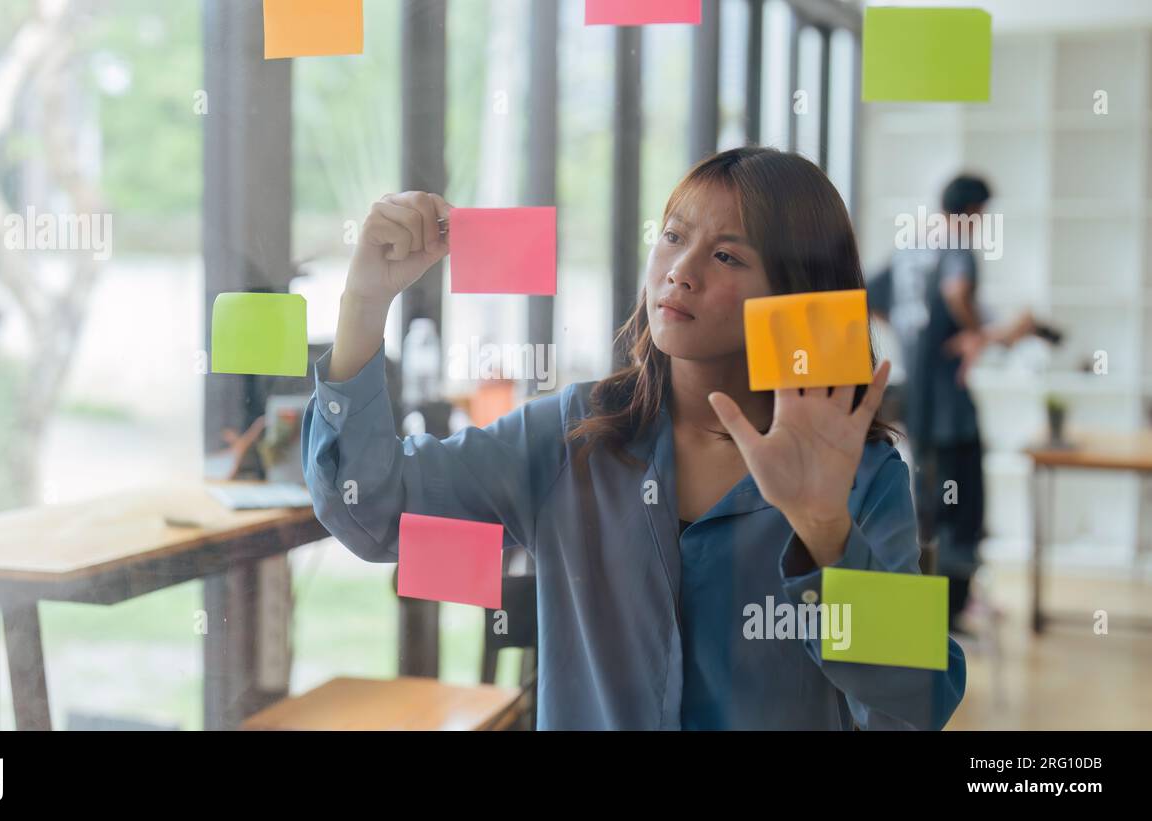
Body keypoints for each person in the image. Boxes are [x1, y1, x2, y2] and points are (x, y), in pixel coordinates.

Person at [304, 147, 966, 730]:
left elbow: (913, 707)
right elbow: (371, 514)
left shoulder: (861, 473)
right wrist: (364, 303)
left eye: (727, 254)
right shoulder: (571, 435)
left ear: (798, 293)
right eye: (673, 236)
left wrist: (825, 531)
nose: (680, 270)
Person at [867, 175, 1038, 630]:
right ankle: (950, 614)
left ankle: (930, 613)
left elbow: (868, 294)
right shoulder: (958, 246)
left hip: (918, 405)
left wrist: (911, 337)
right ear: (974, 211)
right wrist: (977, 334)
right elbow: (955, 291)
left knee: (928, 507)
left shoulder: (911, 250)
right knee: (964, 509)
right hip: (950, 409)